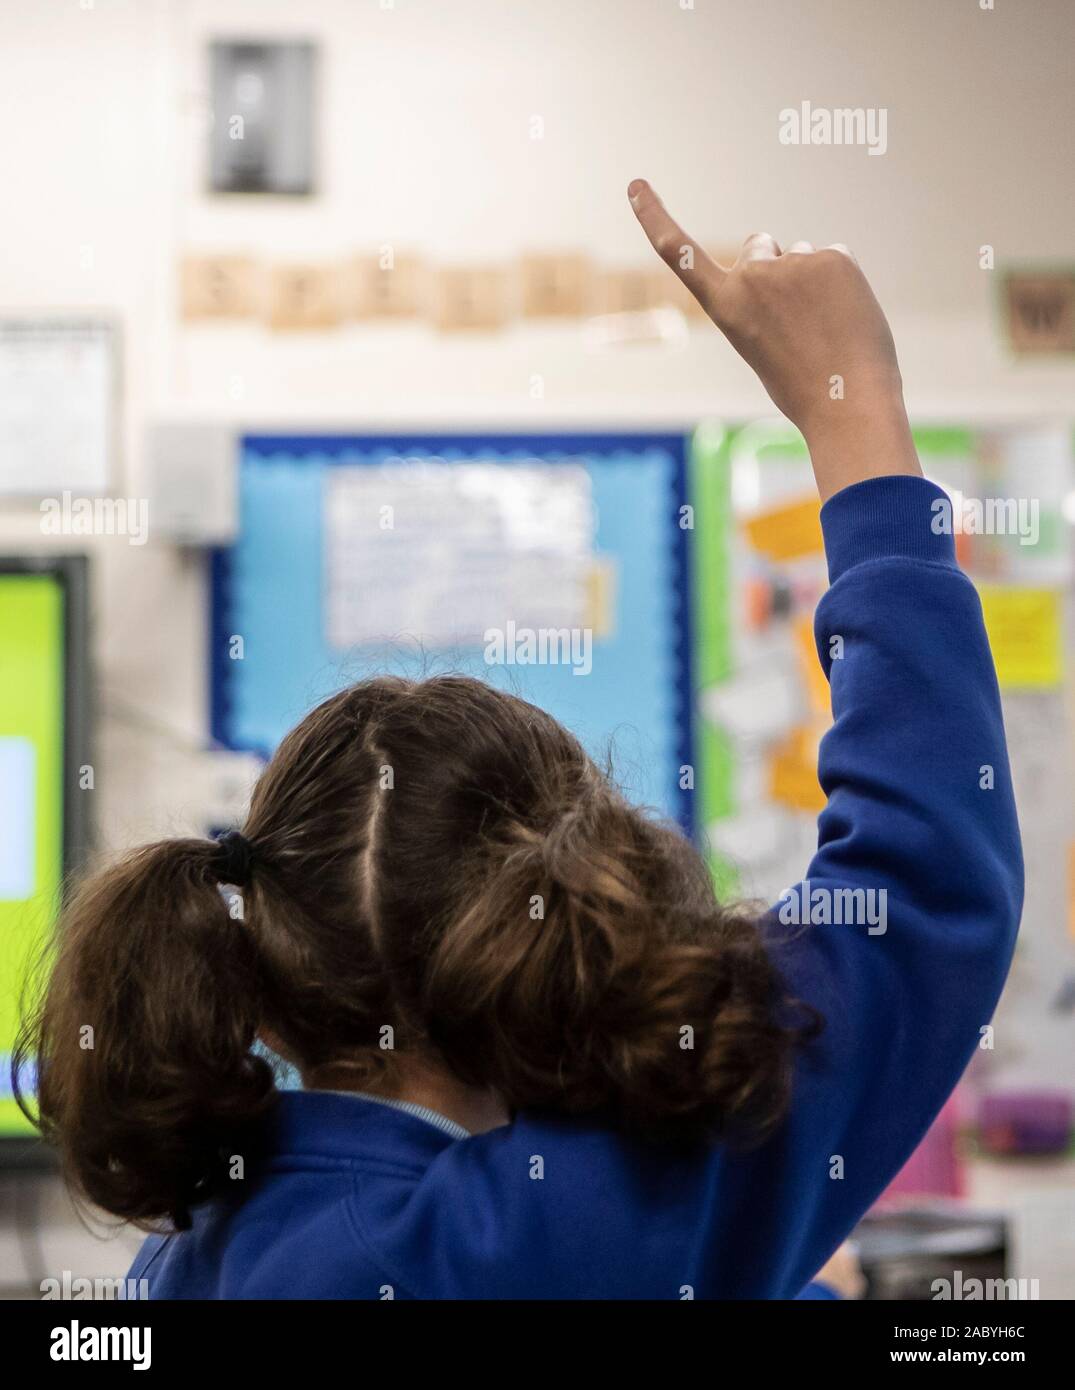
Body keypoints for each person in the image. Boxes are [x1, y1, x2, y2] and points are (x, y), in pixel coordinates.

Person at [14, 181, 1022, 1299]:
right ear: (564, 930)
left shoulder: (191, 1259)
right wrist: (855, 411)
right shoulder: (556, 1235)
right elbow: (919, 892)